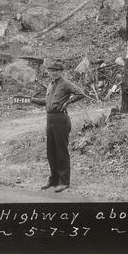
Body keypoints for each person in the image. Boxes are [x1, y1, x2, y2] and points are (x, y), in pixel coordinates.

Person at [25, 60, 85, 193]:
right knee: (51, 151)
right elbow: (47, 103)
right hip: (50, 119)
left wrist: (67, 102)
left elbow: (80, 93)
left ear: (61, 72)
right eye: (51, 71)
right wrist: (32, 100)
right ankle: (53, 180)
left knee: (61, 151)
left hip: (61, 119)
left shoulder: (66, 83)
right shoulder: (50, 85)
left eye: (56, 71)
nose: (53, 73)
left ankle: (64, 181)